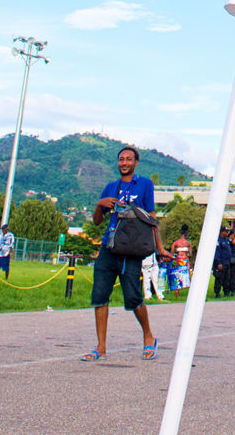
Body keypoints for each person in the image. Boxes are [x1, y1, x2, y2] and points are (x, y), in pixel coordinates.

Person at [81, 146, 168, 362]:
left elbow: (151, 217)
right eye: (121, 159)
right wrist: (99, 205)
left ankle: (149, 336)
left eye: (129, 159)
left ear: (136, 162)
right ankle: (100, 347)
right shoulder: (111, 187)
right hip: (109, 247)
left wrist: (160, 247)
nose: (124, 162)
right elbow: (97, 220)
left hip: (132, 248)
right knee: (100, 296)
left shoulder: (145, 184)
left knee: (133, 297)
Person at [213, 225, 232, 298]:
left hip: (227, 262)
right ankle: (217, 293)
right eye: (226, 231)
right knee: (219, 278)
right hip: (221, 262)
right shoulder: (218, 240)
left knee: (227, 278)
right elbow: (217, 252)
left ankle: (226, 292)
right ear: (222, 232)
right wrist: (218, 263)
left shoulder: (226, 240)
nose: (227, 233)